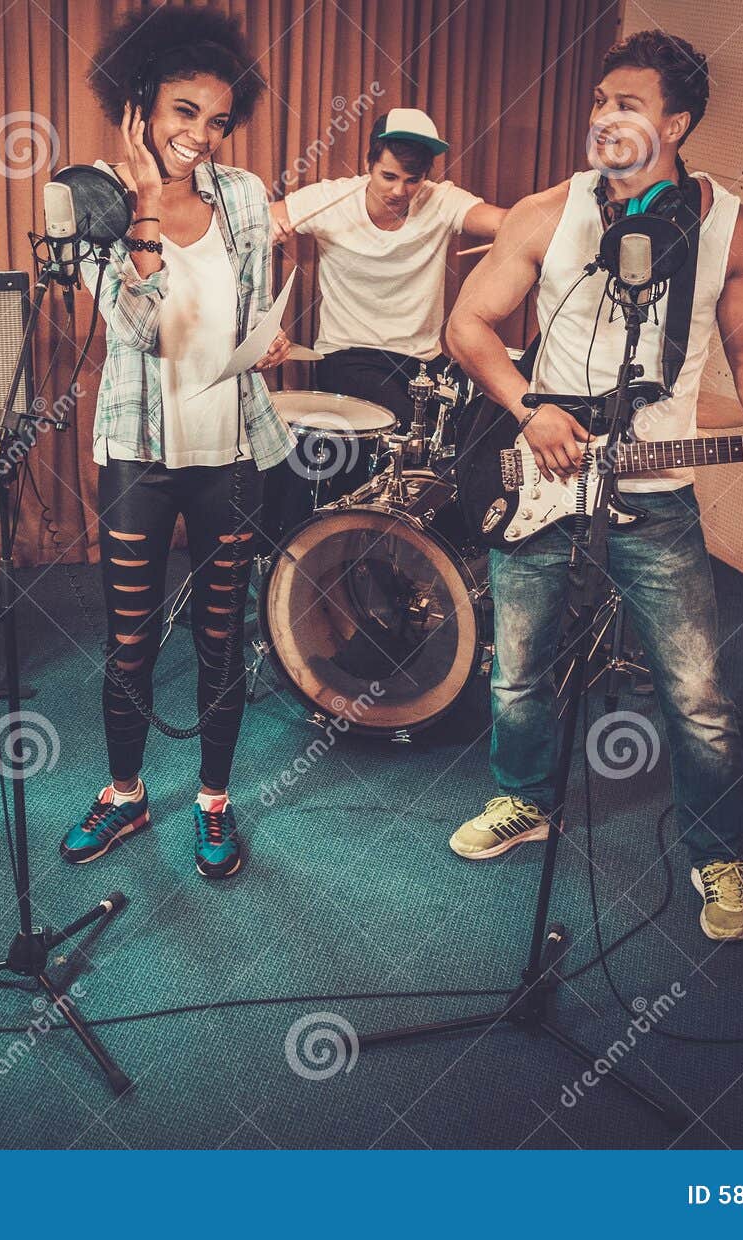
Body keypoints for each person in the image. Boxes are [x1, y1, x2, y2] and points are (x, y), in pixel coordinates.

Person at [442, 31, 743, 942]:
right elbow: (468, 324)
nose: (603, 118)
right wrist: (528, 409)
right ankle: (523, 799)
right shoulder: (547, 212)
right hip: (542, 476)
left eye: (626, 104)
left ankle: (719, 854)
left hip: (656, 485)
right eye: (598, 101)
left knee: (698, 694)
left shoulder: (733, 229)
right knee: (518, 673)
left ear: (675, 122)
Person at [57, 6, 291, 881]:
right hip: (139, 454)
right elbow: (132, 326)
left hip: (229, 447)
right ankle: (125, 795)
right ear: (141, 106)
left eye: (217, 118)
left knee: (221, 641)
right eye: (184, 111)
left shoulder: (244, 195)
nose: (200, 134)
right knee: (130, 641)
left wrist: (265, 341)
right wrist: (147, 213)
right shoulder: (93, 198)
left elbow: (254, 308)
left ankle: (213, 805)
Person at [271, 107, 506, 421]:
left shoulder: (440, 200)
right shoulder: (333, 199)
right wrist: (270, 228)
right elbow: (260, 221)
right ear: (369, 164)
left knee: (485, 419)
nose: (399, 191)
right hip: (349, 356)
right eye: (389, 176)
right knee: (401, 423)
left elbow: (505, 222)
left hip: (424, 362)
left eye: (413, 180)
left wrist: (527, 232)